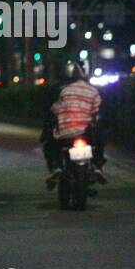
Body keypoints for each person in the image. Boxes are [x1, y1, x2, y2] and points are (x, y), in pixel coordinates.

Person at [41, 59, 106, 189]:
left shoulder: (63, 91)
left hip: (65, 134)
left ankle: (56, 167)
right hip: (87, 134)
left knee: (50, 145)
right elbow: (97, 112)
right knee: (100, 141)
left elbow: (55, 110)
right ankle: (97, 167)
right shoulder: (93, 91)